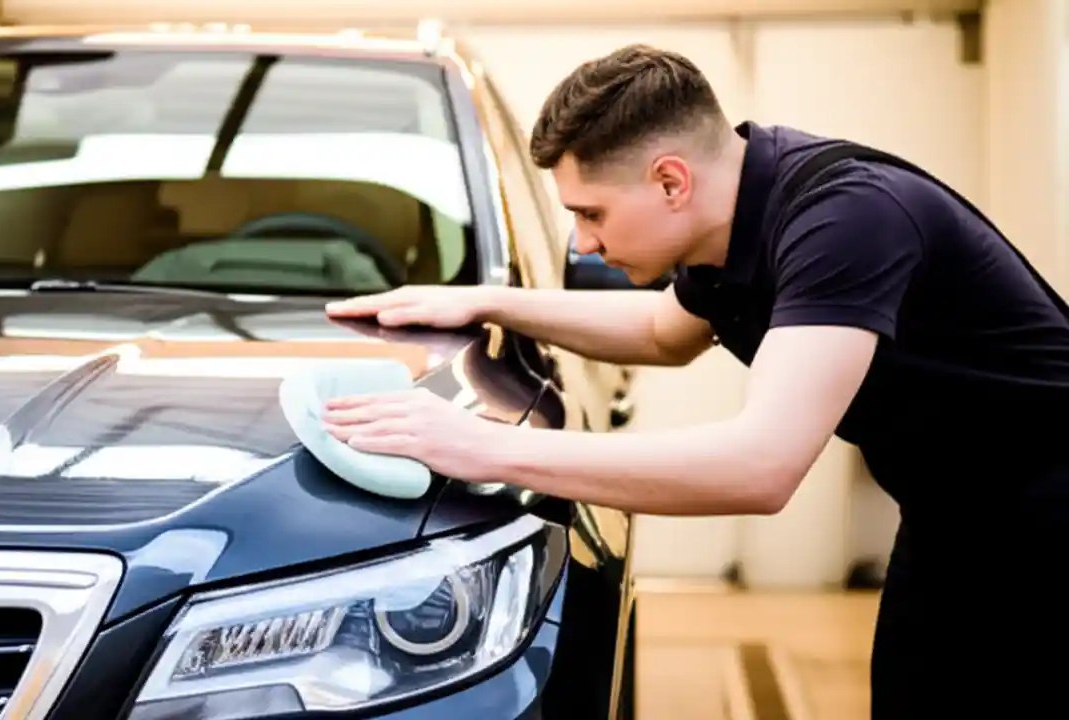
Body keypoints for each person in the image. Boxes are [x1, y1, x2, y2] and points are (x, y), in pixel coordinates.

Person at [322, 43, 1069, 716]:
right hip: (955, 518)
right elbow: (660, 333)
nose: (584, 242)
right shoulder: (732, 220)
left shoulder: (846, 219)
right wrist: (488, 302)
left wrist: (479, 449)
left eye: (592, 213)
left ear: (671, 180)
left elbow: (760, 467)